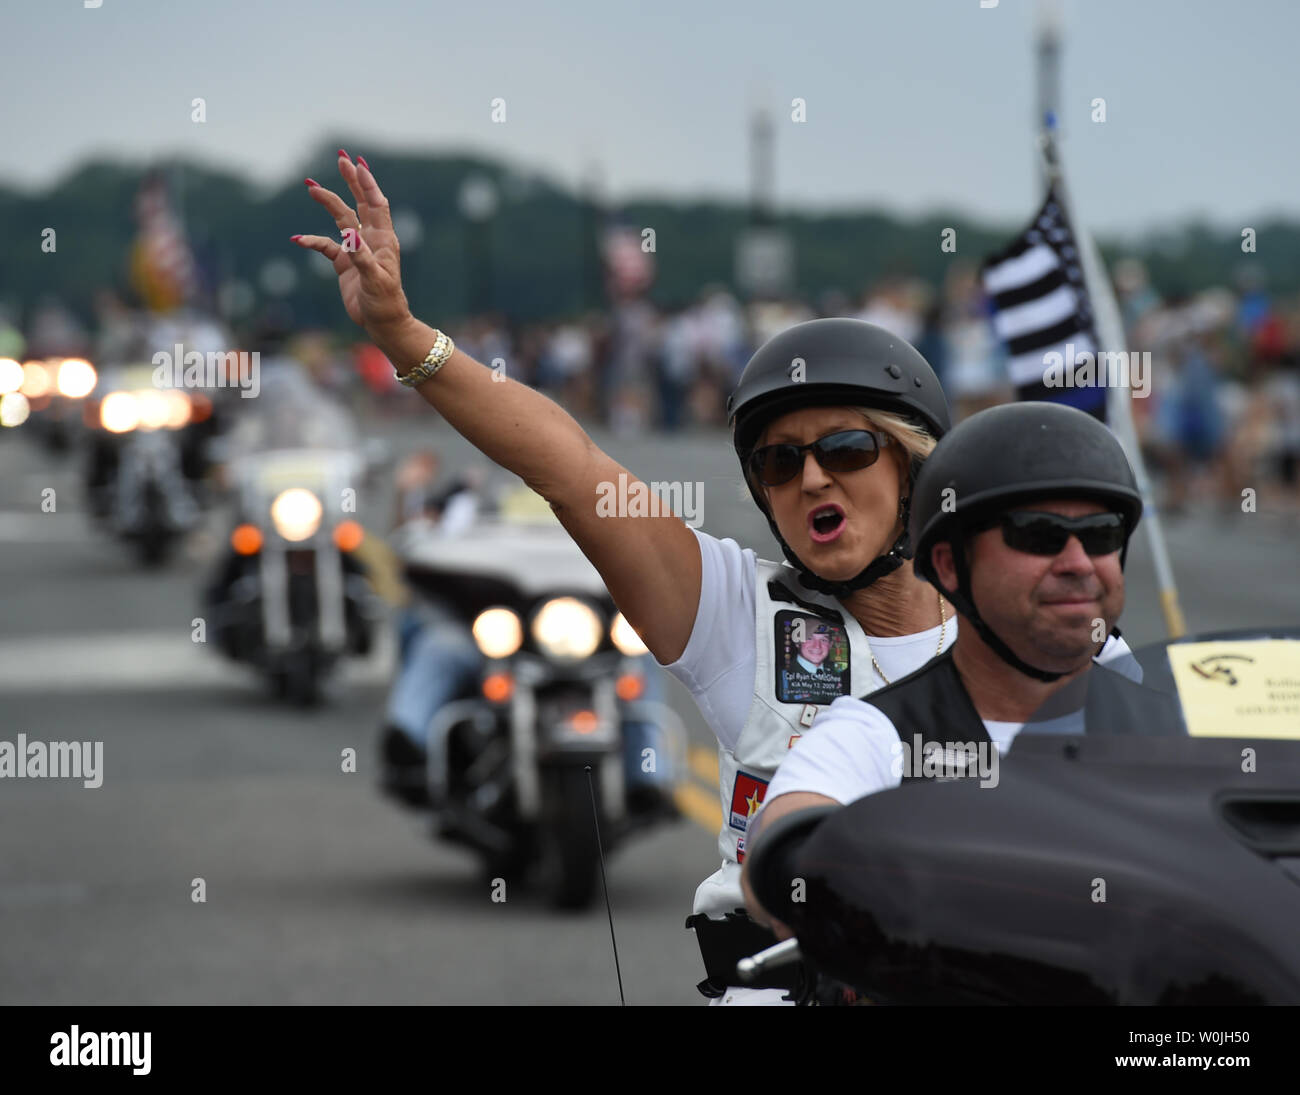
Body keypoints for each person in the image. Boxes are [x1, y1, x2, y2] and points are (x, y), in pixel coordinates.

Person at [290, 155, 1128, 1005]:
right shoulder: (735, 611)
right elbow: (572, 467)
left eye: (844, 448)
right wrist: (404, 335)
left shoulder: (1034, 636)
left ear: (914, 467)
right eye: (779, 460)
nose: (811, 479)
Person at [743, 401, 1182, 938]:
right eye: (1038, 535)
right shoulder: (870, 735)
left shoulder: (1182, 730)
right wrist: (803, 864)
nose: (1077, 562)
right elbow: (785, 842)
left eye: (1100, 534)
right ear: (950, 565)